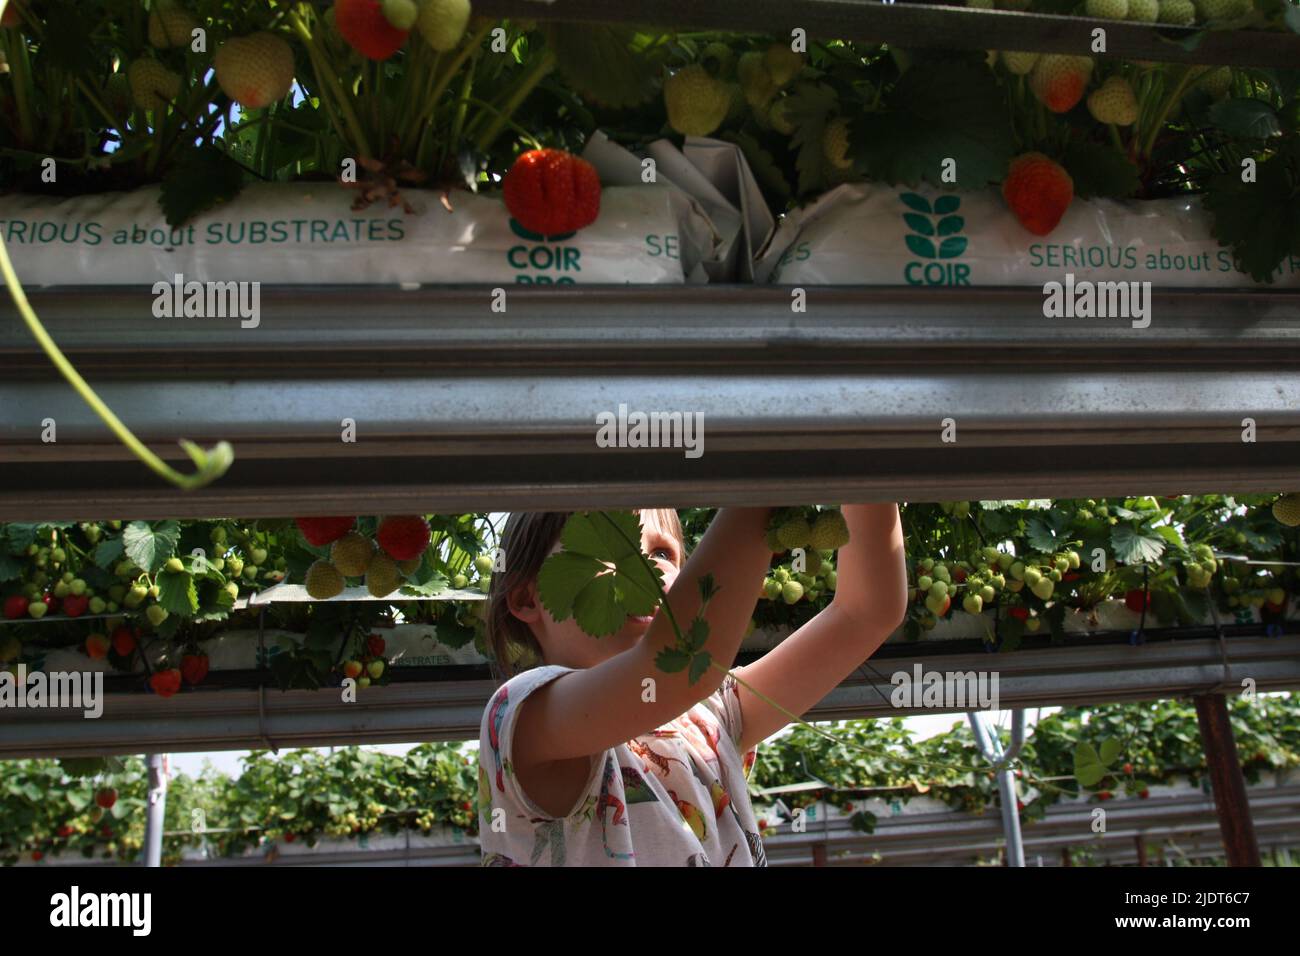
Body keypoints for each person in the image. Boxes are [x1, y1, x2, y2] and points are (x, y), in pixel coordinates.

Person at [476, 505, 907, 866]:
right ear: (527, 598)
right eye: (605, 548)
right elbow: (678, 670)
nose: (644, 567)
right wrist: (769, 476)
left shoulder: (710, 716)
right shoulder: (521, 716)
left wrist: (862, 463)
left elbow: (866, 612)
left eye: (663, 552)